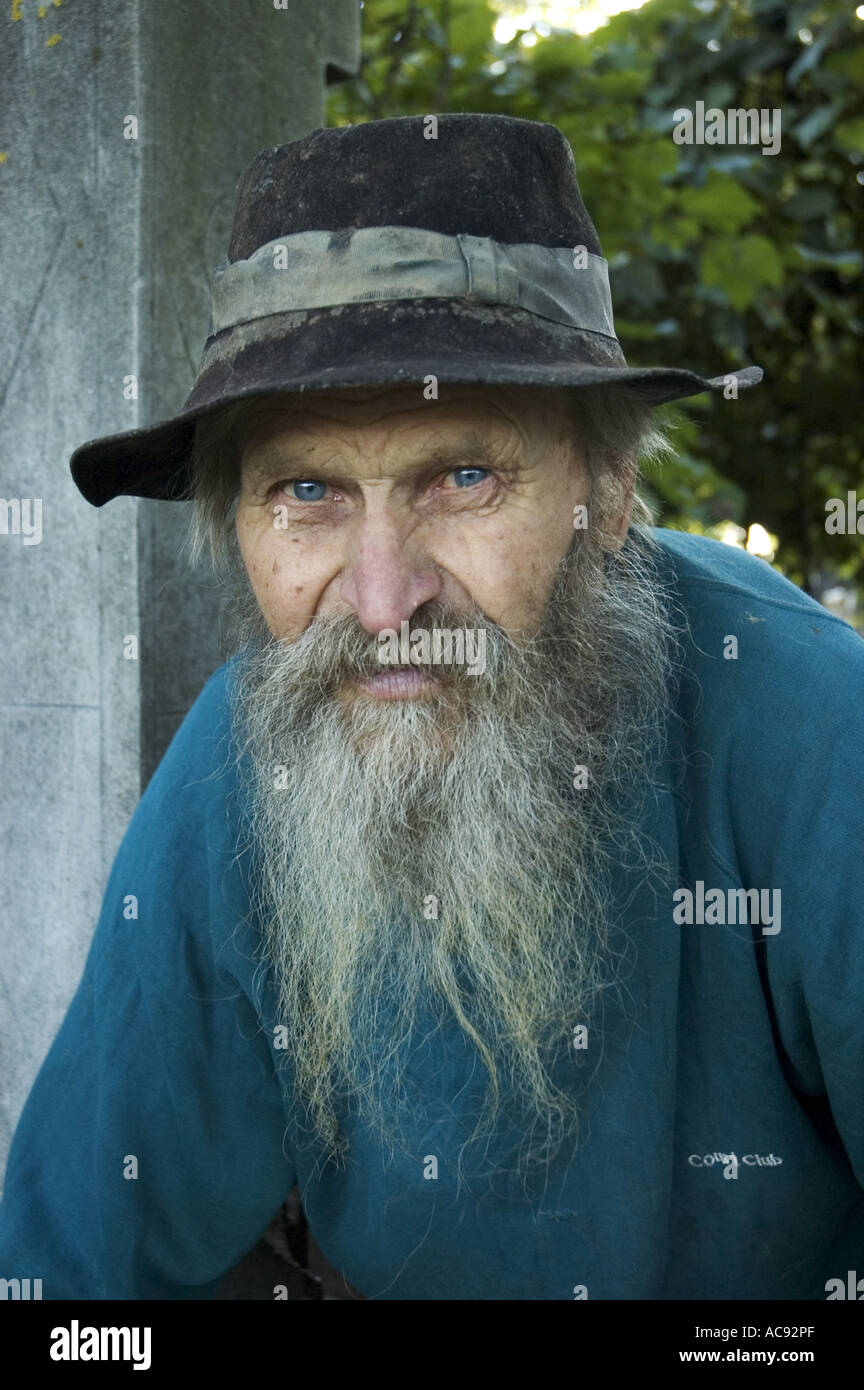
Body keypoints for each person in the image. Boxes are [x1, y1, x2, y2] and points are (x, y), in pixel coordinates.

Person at [0, 113, 861, 1301]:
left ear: (605, 494)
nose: (383, 599)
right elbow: (72, 1276)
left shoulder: (817, 732)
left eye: (463, 477)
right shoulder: (249, 762)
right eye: (304, 490)